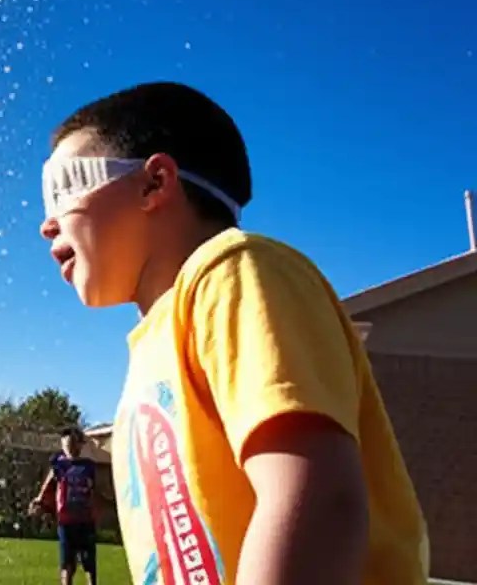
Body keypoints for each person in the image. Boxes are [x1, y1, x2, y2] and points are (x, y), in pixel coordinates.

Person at [38, 82, 428, 585]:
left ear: (155, 183)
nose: (47, 225)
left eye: (63, 189)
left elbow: (316, 498)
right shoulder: (159, 340)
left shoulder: (235, 272)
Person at [29, 426, 99, 585]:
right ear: (63, 445)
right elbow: (49, 482)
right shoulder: (59, 464)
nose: (71, 448)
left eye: (74, 444)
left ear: (80, 445)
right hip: (66, 521)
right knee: (67, 564)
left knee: (89, 564)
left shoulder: (88, 466)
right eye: (67, 445)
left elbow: (96, 489)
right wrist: (40, 499)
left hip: (86, 520)